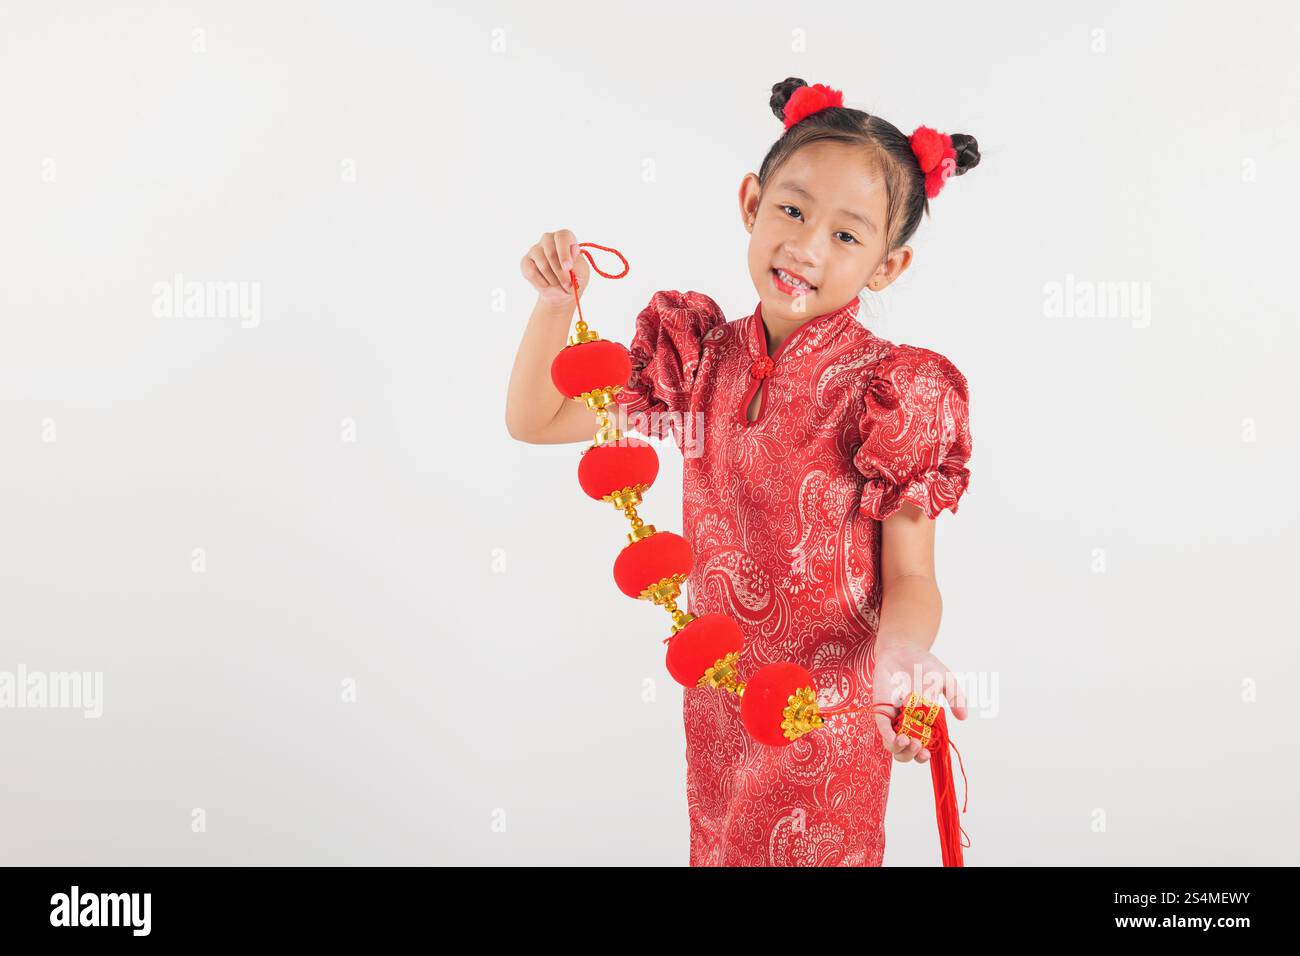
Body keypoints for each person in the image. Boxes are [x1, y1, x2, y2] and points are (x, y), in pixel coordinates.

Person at [506, 77, 979, 866]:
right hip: (720, 707)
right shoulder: (697, 363)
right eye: (792, 210)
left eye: (846, 236)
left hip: (828, 724)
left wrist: (902, 656)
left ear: (889, 266)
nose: (805, 247)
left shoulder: (891, 393)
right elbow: (536, 420)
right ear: (751, 202)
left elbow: (914, 578)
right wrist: (556, 303)